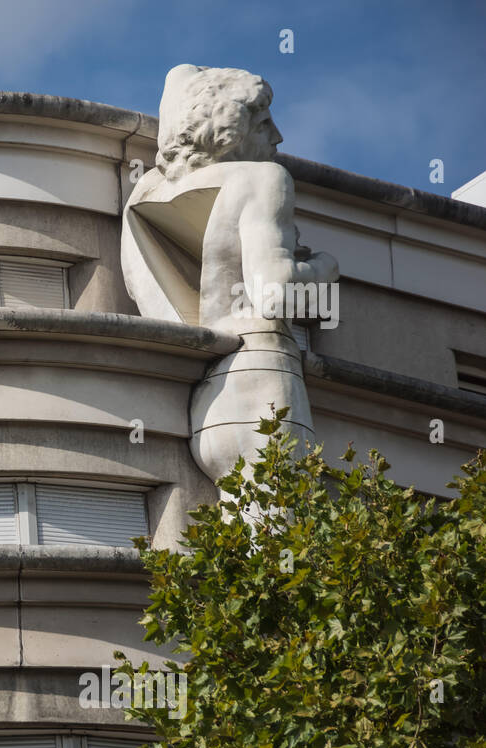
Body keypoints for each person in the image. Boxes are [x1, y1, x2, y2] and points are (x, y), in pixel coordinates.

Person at [121, 65, 339, 487]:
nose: (277, 137)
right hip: (264, 382)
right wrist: (326, 268)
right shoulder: (263, 179)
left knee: (241, 535)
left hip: (206, 402)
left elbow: (140, 287)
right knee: (282, 534)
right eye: (264, 121)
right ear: (233, 129)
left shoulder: (144, 193)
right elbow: (276, 294)